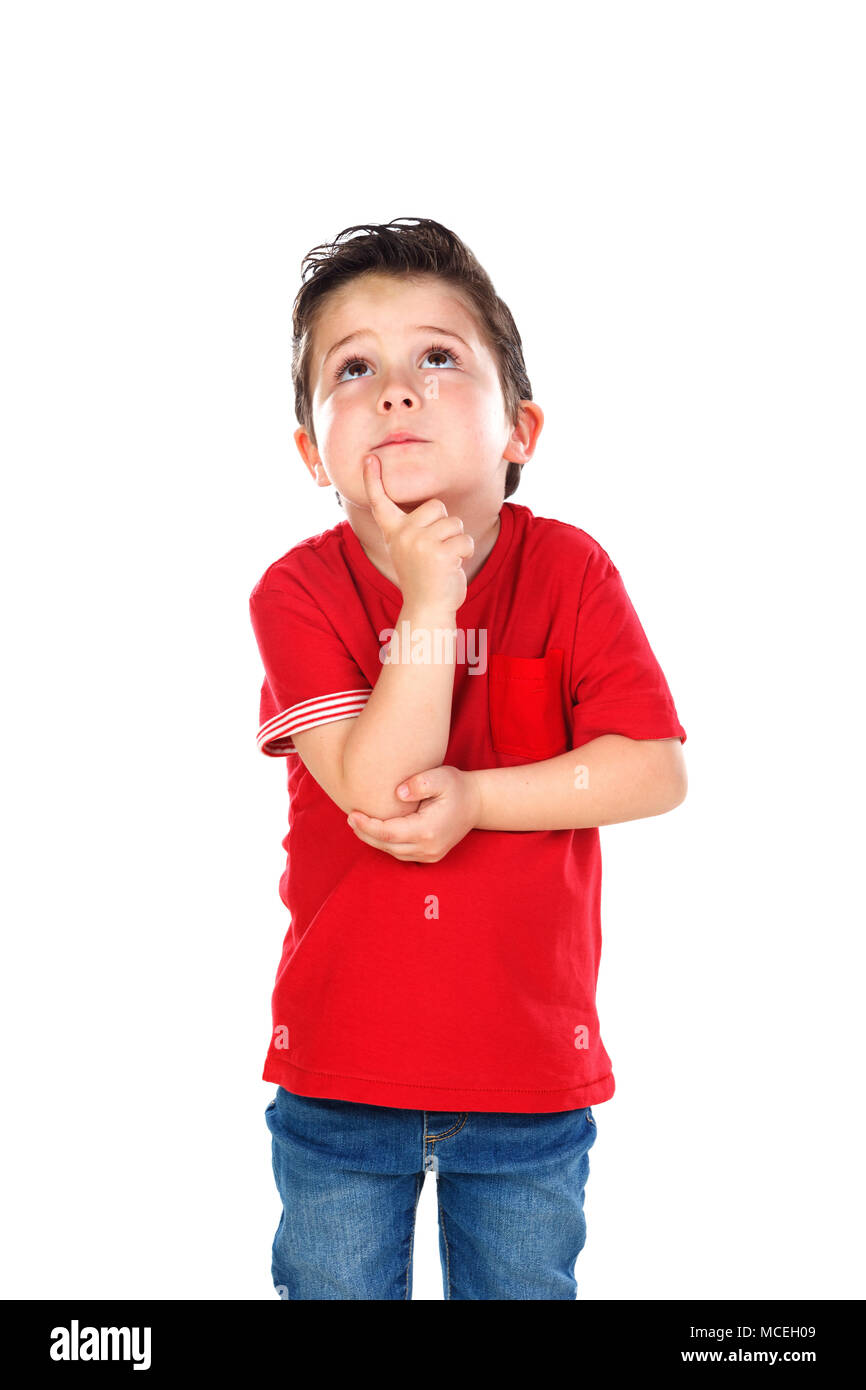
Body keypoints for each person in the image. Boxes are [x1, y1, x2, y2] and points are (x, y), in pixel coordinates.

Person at [249, 217, 688, 1300]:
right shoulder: (295, 592)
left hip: (530, 1078)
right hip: (342, 1078)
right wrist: (430, 595)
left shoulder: (573, 570)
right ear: (314, 453)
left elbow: (652, 768)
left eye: (437, 358)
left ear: (517, 431)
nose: (396, 389)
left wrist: (484, 796)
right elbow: (382, 788)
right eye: (354, 368)